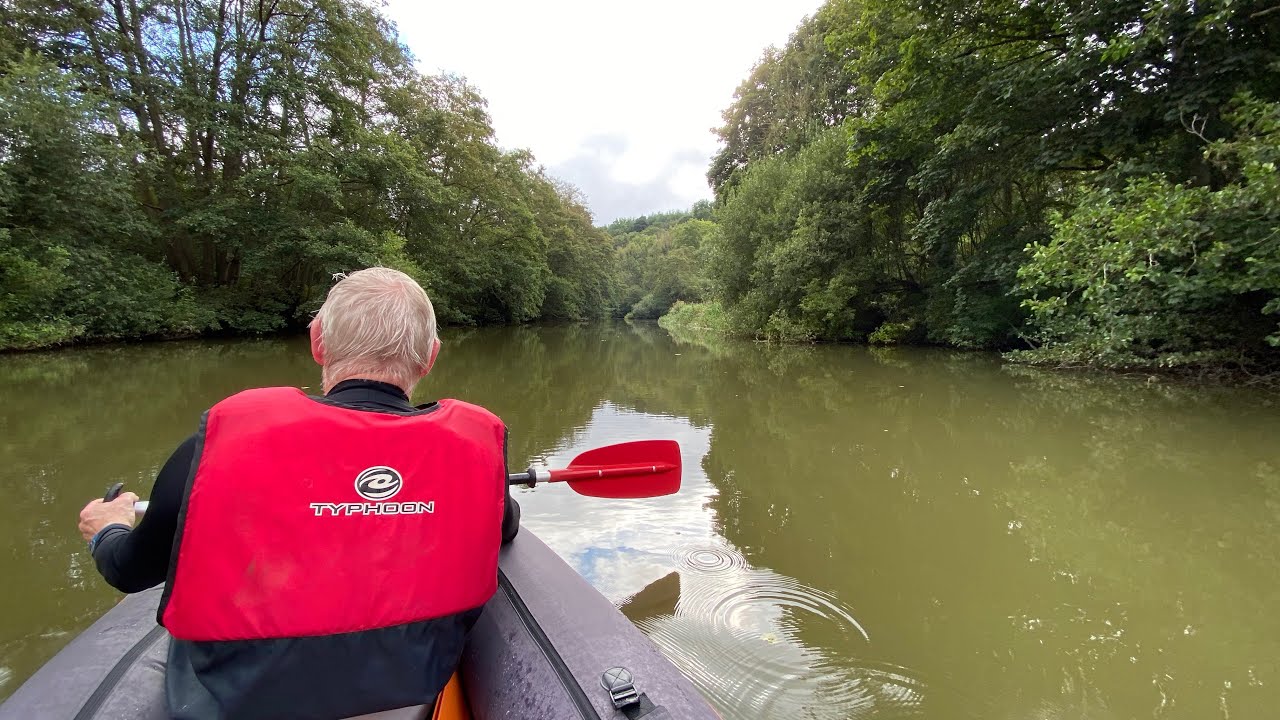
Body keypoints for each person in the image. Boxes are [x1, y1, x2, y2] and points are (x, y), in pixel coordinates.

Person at [77, 267, 520, 720]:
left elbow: (129, 572)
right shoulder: (475, 447)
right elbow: (504, 526)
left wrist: (106, 528)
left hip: (234, 701)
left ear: (317, 341)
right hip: (410, 691)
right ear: (430, 357)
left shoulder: (220, 444)